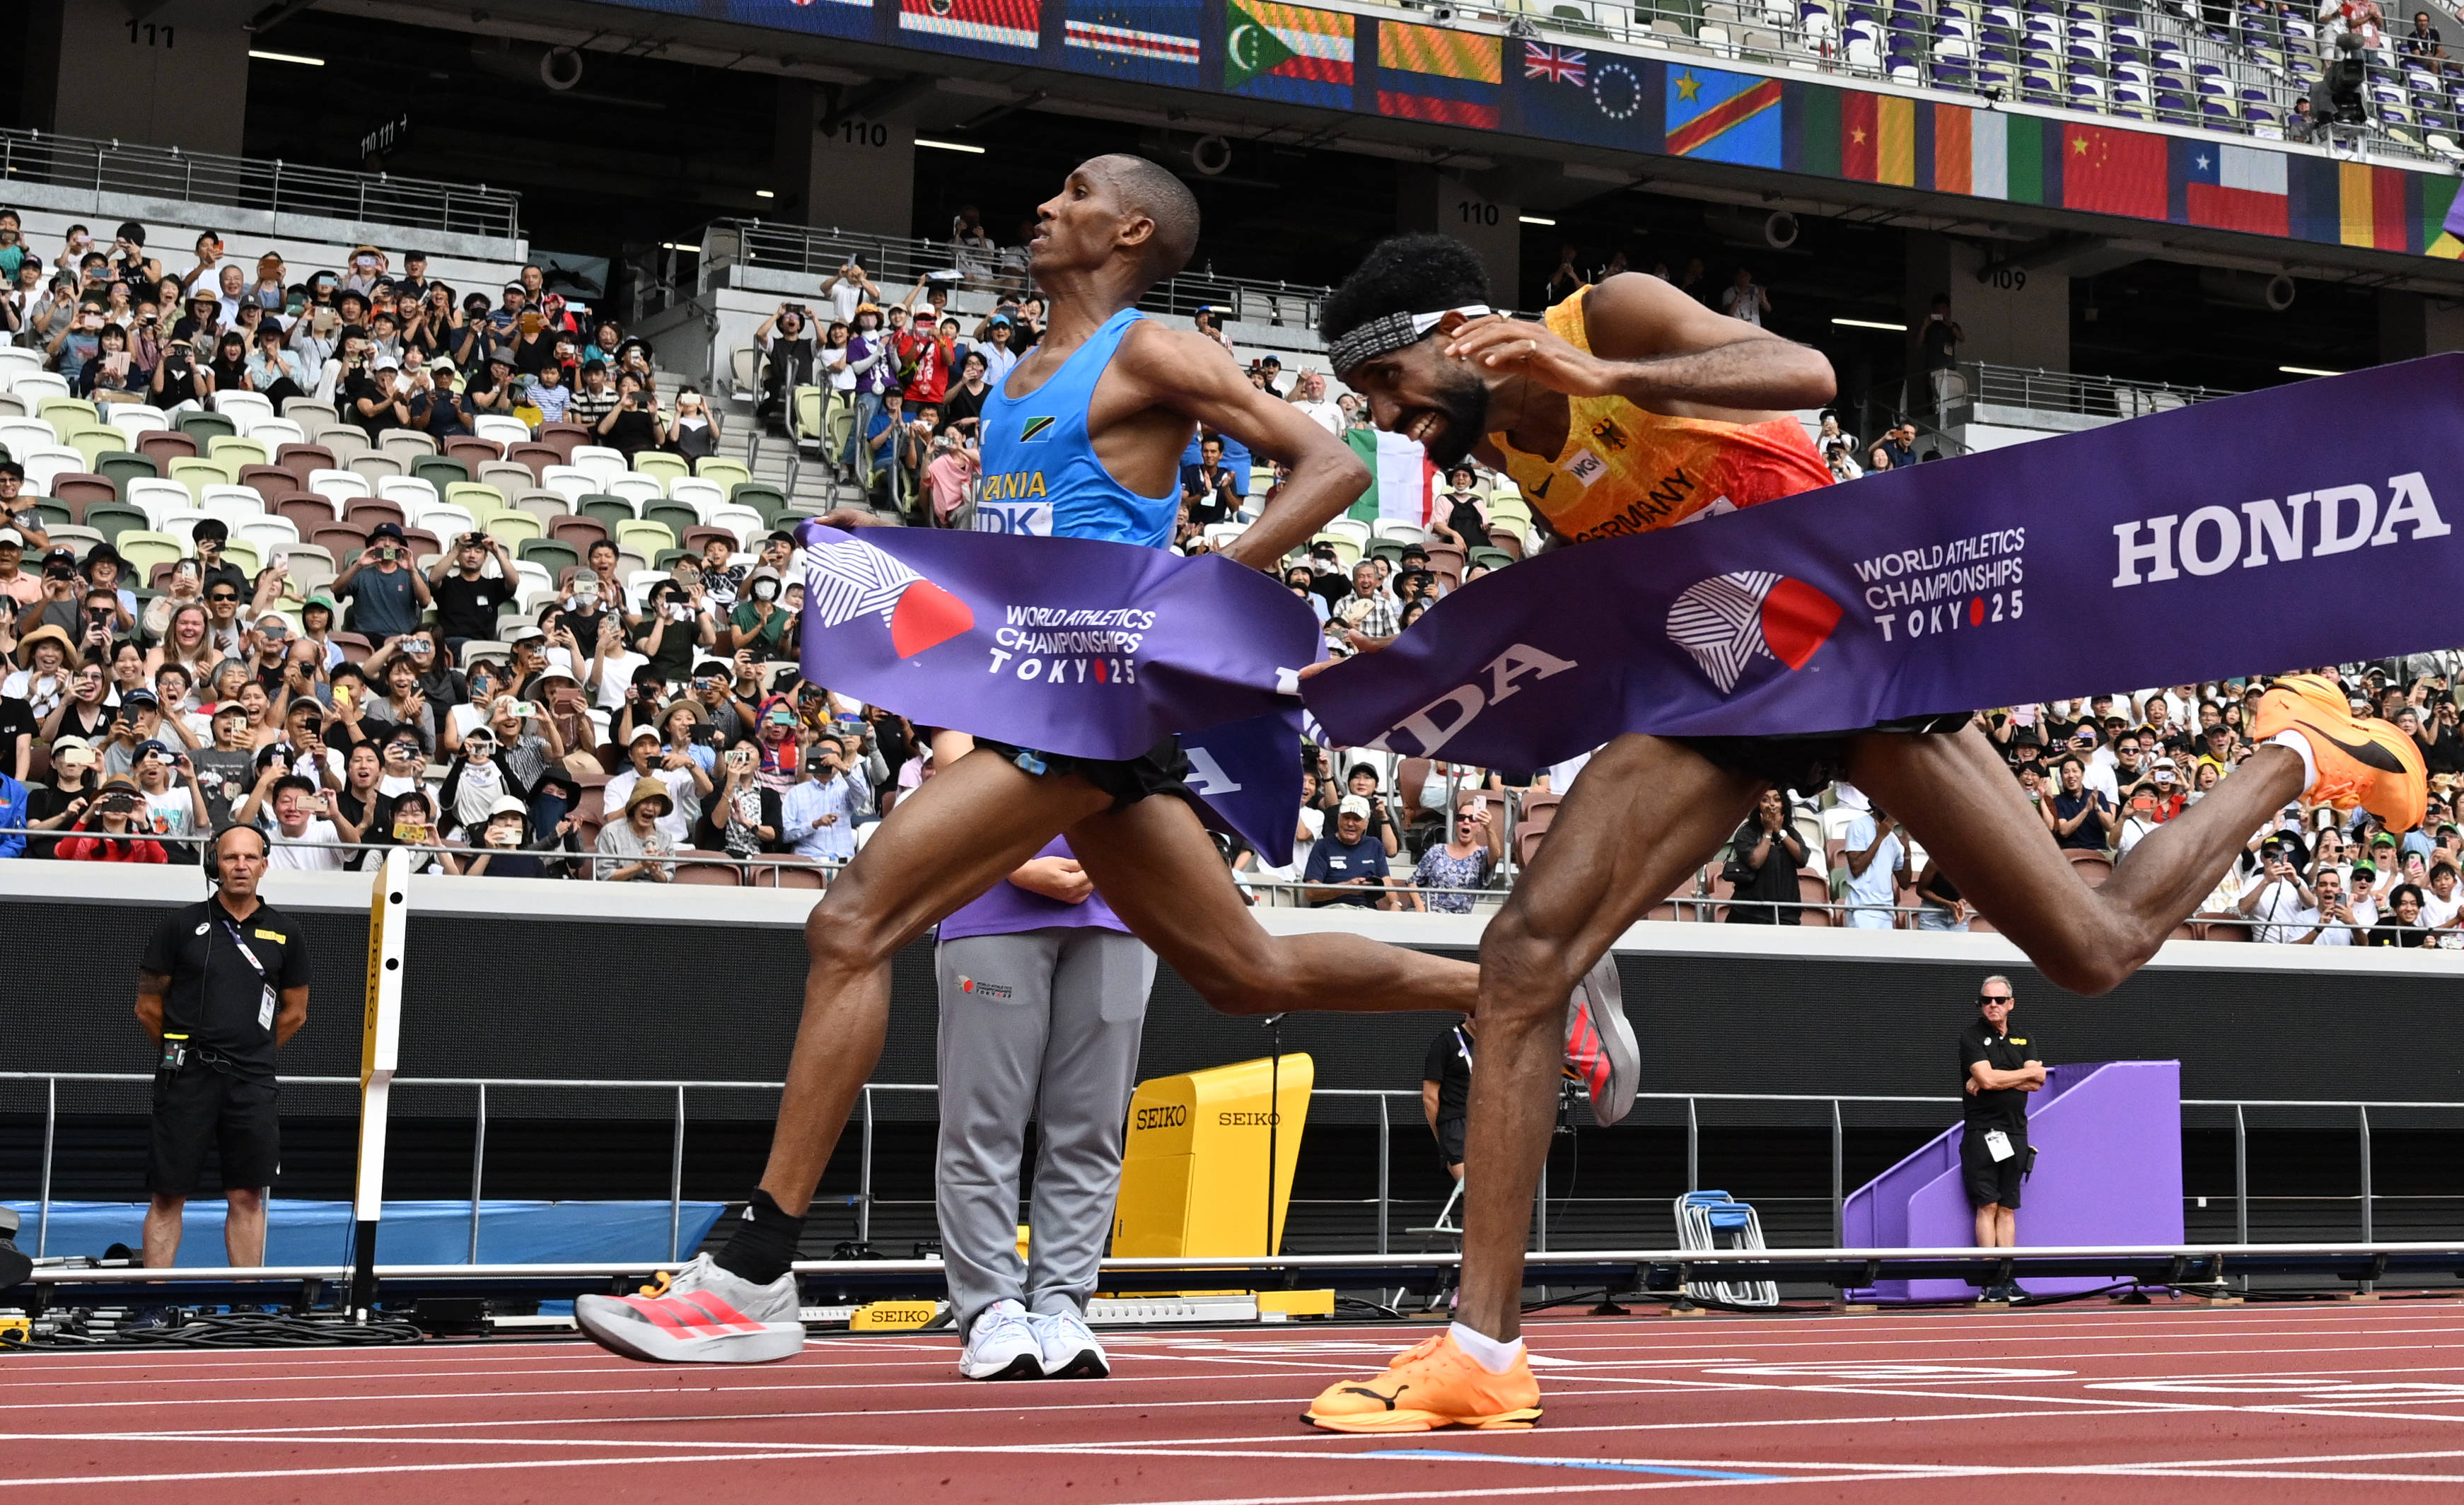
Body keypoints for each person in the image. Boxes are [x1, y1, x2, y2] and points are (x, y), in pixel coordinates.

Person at [1301, 231, 2427, 1432]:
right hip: (1716, 675)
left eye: (1385, 387)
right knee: (1524, 956)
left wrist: (1607, 380)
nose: (1384, 419)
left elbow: (1803, 375)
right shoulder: (1502, 456)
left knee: (2092, 946)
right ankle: (1483, 1350)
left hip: (1849, 637)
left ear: (1453, 336)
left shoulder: (1605, 319)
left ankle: (2295, 748)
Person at [574, 157, 1622, 1368]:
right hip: (1050, 694)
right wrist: (907, 550)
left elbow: (1330, 463)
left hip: (1086, 701)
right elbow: (1025, 554)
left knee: (850, 920)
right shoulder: (1020, 381)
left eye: (1070, 189)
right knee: (1241, 966)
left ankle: (751, 1268)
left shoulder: (1151, 350)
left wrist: (1190, 594)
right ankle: (1519, 990)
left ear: (1127, 228)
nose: (1044, 201)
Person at [934, 823, 1153, 1381]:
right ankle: (991, 1307)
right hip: (992, 904)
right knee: (983, 1124)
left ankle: (1061, 1305)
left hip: (1123, 909)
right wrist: (1010, 858)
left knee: (1093, 1130)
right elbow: (957, 764)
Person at [123, 825, 309, 1331]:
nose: (241, 865)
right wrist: (182, 1054)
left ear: (265, 865)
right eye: (231, 857)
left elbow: (294, 1013)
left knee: (247, 1195)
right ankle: (153, 1306)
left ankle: (245, 1308)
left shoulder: (287, 932)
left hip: (251, 1082)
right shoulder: (179, 927)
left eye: (251, 857)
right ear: (216, 864)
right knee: (168, 1193)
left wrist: (252, 1055)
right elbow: (147, 1005)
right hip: (186, 1079)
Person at [1960, 975, 2042, 1301]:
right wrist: (2003, 1077)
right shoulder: (1972, 1036)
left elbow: (2037, 1080)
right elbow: (1987, 1078)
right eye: (1986, 1000)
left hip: (2017, 1131)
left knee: (2008, 1207)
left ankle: (2008, 1278)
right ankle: (1989, 1281)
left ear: (2010, 1003)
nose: (1991, 1005)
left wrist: (1997, 1079)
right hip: (1983, 1132)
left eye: (1998, 1000)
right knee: (1988, 1204)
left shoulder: (2024, 1036)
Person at [1723, 789, 1807, 924]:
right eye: (1765, 800)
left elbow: (1802, 859)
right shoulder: (1747, 832)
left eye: (1777, 800)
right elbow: (1755, 861)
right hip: (1751, 913)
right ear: (1757, 806)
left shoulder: (1791, 832)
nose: (1772, 804)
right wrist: (1768, 832)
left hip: (1787, 914)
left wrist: (1780, 832)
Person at [1422, 1016, 1475, 1182]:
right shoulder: (1446, 1043)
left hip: (1487, 1125)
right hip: (1456, 1125)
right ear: (1468, 1012)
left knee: (1495, 1194)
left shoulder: (1494, 1044)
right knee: (1474, 1192)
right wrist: (1442, 1138)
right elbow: (1430, 1097)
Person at [1840, 801, 1908, 929]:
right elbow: (1856, 868)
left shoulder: (1893, 838)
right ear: (1876, 803)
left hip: (1886, 911)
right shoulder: (1858, 825)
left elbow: (1905, 883)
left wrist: (1907, 851)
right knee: (1863, 949)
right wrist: (1880, 837)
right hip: (1861, 909)